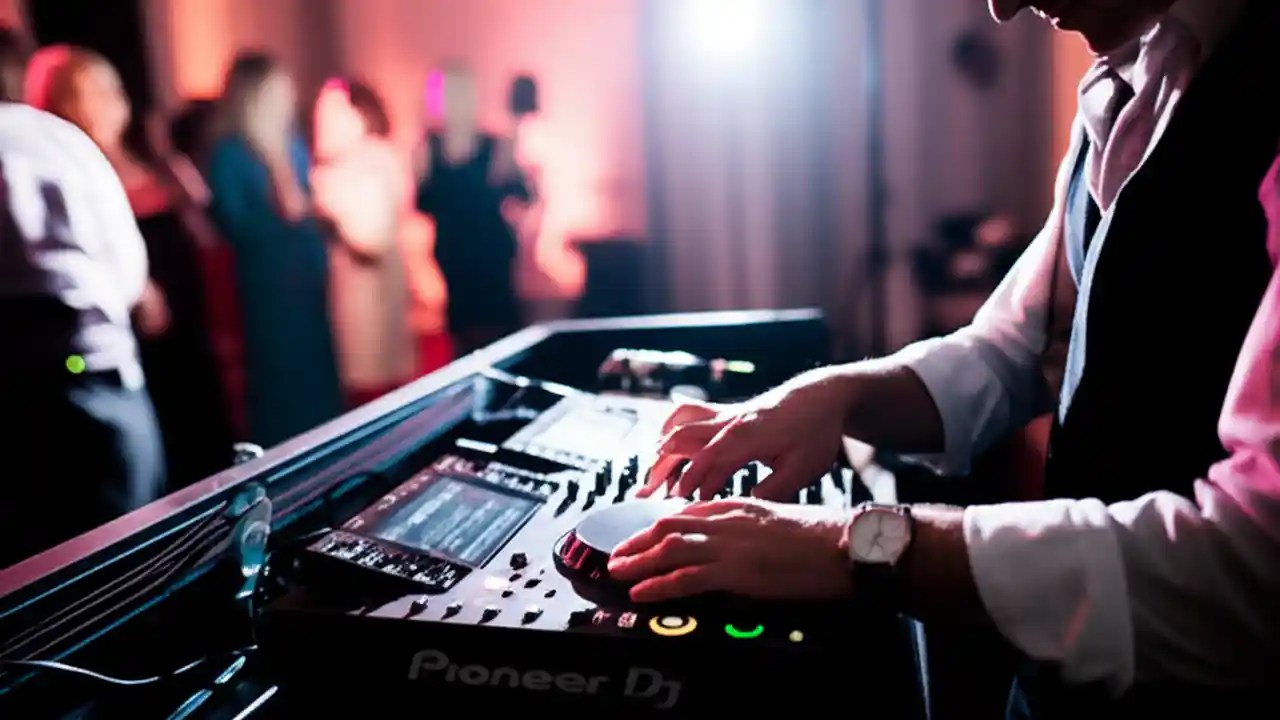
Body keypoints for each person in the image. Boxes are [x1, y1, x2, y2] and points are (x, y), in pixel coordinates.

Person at [616, 0, 1280, 716]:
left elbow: (1253, 565)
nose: (1001, 6)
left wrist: (858, 547)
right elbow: (1016, 345)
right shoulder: (1132, 85)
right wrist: (836, 397)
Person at [25, 45, 236, 487]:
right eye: (94, 92)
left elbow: (200, 217)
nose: (112, 103)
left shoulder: (147, 159)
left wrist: (163, 151)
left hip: (188, 331)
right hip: (137, 344)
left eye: (113, 89)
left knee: (207, 437)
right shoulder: (73, 174)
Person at [0, 26, 165, 567]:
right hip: (102, 376)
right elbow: (126, 267)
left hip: (23, 391)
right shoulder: (60, 140)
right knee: (125, 562)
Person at [206, 51, 343, 447]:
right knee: (280, 382)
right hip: (269, 286)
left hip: (306, 281)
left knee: (316, 377)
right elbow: (233, 224)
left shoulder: (292, 145)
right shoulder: (231, 154)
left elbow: (303, 207)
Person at [312, 77, 417, 407]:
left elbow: (372, 238)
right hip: (354, 292)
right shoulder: (341, 165)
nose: (323, 124)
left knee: (375, 390)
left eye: (333, 113)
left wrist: (332, 212)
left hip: (370, 296)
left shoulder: (374, 162)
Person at [415, 64, 530, 355]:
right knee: (464, 342)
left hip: (488, 257)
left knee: (497, 339)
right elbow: (423, 204)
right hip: (455, 259)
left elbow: (522, 195)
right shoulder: (429, 148)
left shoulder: (493, 146)